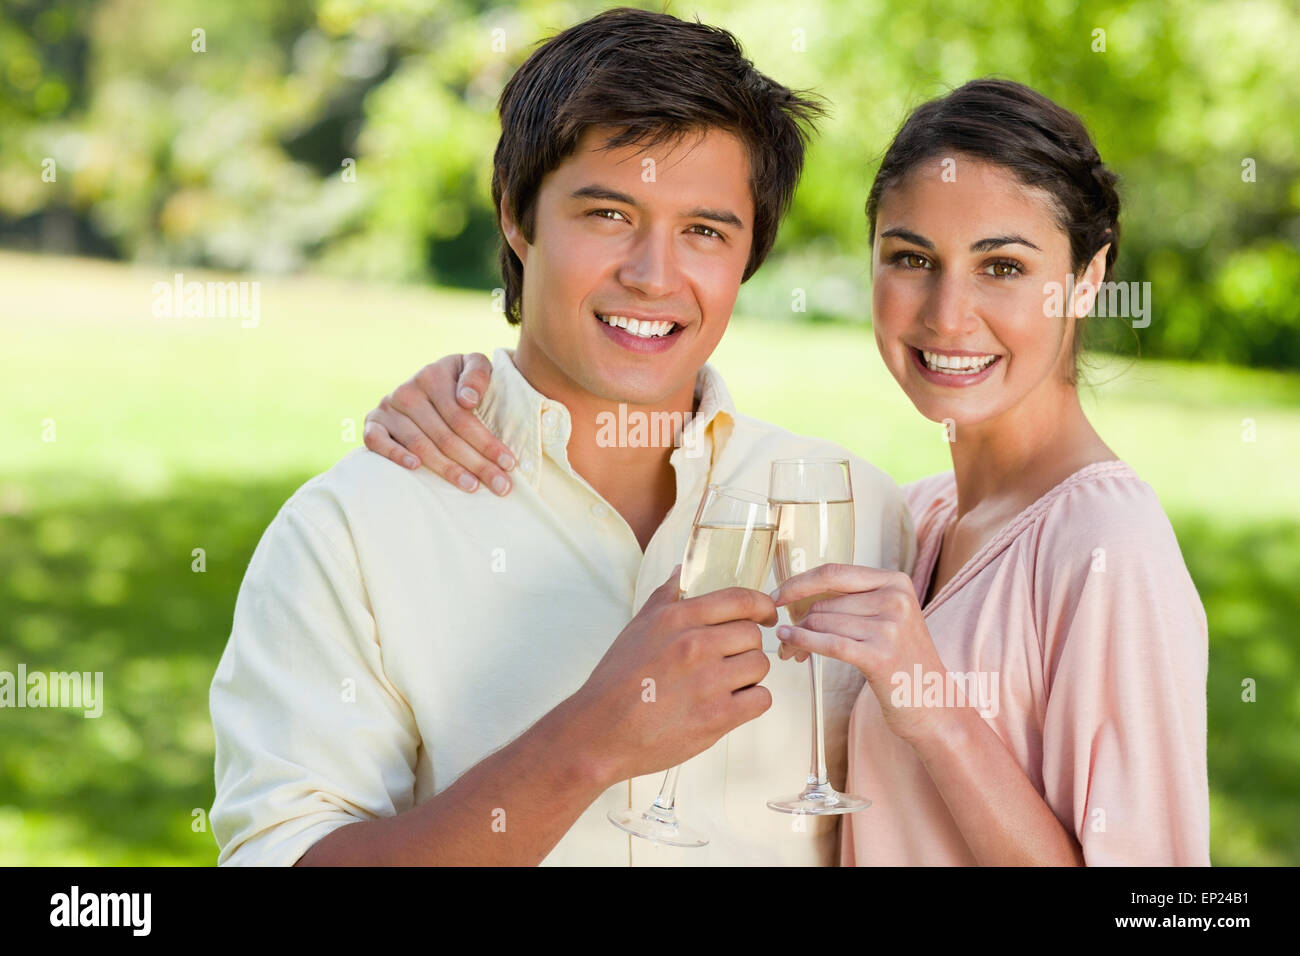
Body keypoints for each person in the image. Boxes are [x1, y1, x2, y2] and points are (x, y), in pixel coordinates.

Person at [365, 79, 1211, 865]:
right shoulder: (909, 522)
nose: (948, 314)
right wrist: (482, 391)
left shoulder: (1106, 545)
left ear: (1088, 278)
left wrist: (937, 716)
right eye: (912, 258)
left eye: (1004, 267)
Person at [209, 7, 914, 867]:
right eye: (609, 214)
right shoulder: (351, 532)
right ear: (517, 215)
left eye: (703, 231)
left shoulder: (862, 515)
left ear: (750, 255)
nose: (653, 276)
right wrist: (589, 744)